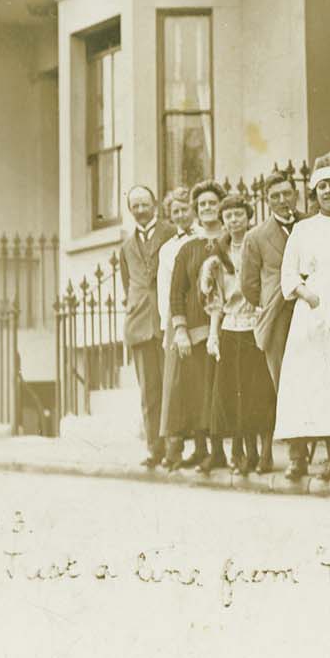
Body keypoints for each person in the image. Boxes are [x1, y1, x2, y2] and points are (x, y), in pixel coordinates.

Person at [276, 167, 330, 482]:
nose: (328, 192)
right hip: (310, 311)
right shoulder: (303, 229)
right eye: (322, 187)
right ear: (314, 193)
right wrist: (309, 297)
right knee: (303, 383)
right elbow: (288, 274)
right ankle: (297, 457)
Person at [199, 194, 273, 475]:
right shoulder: (218, 256)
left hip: (257, 323)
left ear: (248, 216)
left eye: (238, 214)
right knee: (235, 394)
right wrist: (214, 335)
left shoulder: (257, 245)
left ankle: (265, 452)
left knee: (260, 391)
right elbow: (216, 299)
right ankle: (245, 453)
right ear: (223, 221)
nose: (233, 220)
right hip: (232, 327)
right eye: (228, 216)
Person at [167, 182, 228, 474]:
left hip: (231, 326)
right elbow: (177, 291)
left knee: (222, 390)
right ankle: (203, 449)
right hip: (197, 329)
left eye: (211, 203)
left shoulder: (233, 240)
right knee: (199, 390)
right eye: (201, 204)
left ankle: (225, 452)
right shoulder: (188, 248)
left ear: (221, 205)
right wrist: (180, 329)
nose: (207, 208)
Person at [239, 171, 297, 473]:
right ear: (267, 200)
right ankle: (295, 453)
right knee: (282, 383)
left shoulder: (309, 224)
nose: (282, 200)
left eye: (287, 193)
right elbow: (248, 284)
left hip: (309, 309)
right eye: (275, 196)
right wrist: (268, 300)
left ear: (295, 194)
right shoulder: (256, 236)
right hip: (277, 315)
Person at [119, 185, 171, 469]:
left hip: (166, 320)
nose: (141, 210)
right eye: (135, 206)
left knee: (172, 386)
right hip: (139, 324)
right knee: (148, 391)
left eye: (145, 204)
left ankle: (175, 446)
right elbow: (128, 285)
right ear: (131, 210)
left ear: (155, 205)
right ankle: (155, 448)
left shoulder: (170, 233)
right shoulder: (126, 246)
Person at [155, 188, 197, 469]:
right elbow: (164, 288)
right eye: (175, 212)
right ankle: (174, 447)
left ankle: (203, 445)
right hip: (177, 316)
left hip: (201, 315)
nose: (180, 215)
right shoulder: (168, 248)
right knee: (175, 384)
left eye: (184, 209)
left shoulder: (203, 239)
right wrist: (165, 323)